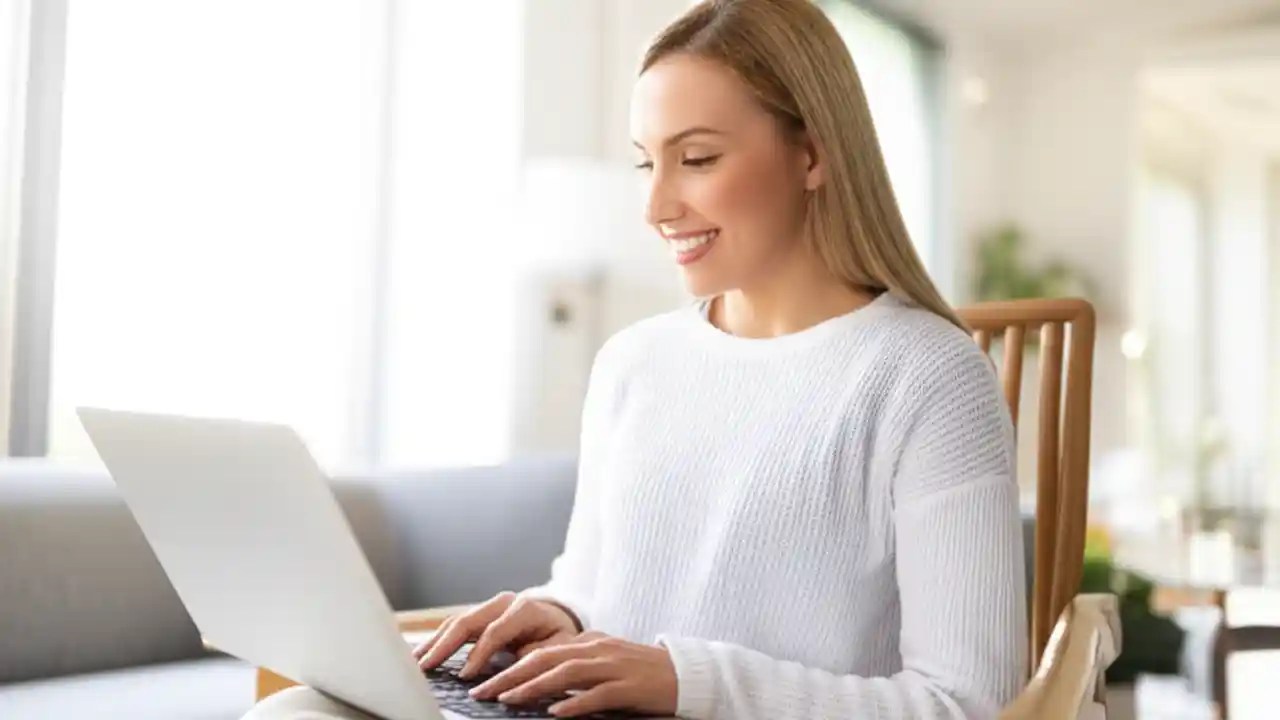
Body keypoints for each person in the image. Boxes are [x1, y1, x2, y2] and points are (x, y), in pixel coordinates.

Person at [252, 0, 1026, 717]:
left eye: (696, 159)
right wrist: (558, 613)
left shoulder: (928, 377)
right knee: (296, 710)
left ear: (813, 155)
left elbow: (965, 702)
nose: (656, 207)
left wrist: (689, 681)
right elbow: (598, 587)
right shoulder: (634, 362)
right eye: (644, 163)